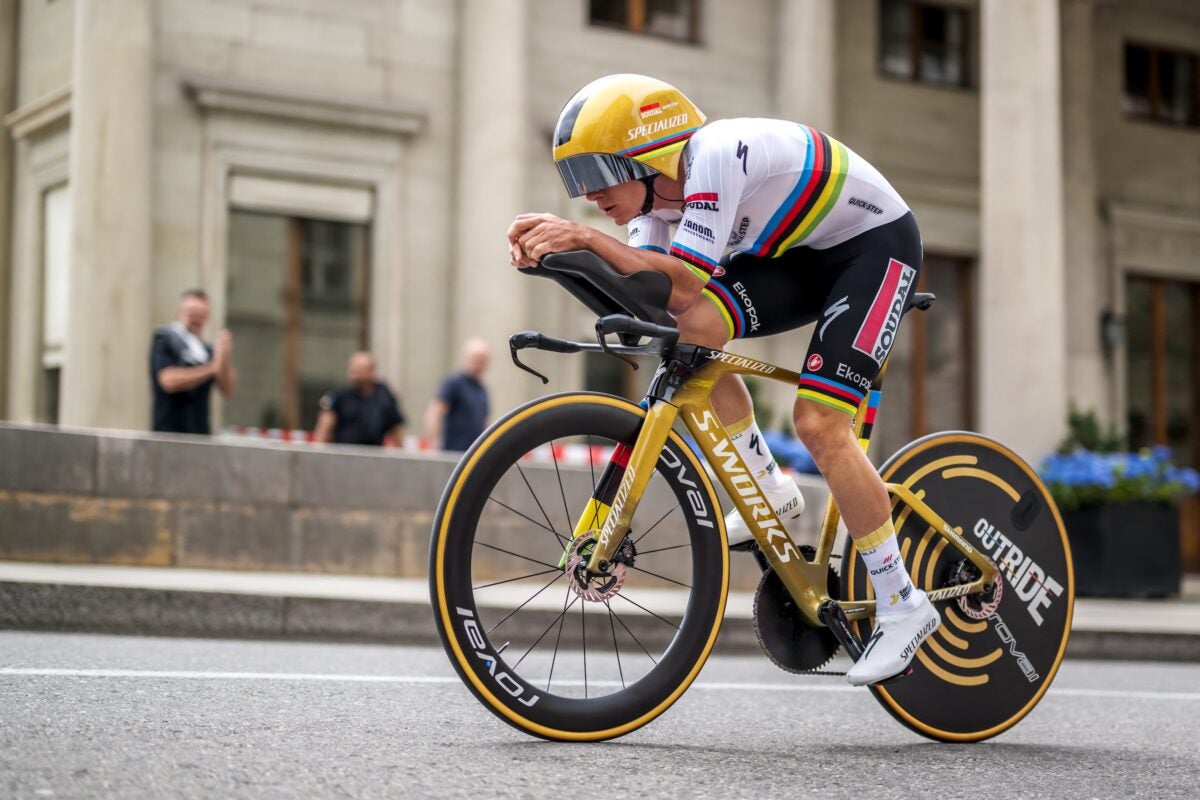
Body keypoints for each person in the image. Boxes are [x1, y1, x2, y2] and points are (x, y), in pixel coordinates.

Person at [506, 74, 938, 687]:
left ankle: (902, 603)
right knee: (691, 335)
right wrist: (554, 262)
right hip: (800, 254)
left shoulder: (714, 156)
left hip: (874, 246)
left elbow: (680, 283)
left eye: (600, 172)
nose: (590, 194)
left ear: (649, 155)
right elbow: (650, 309)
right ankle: (771, 488)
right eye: (577, 181)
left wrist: (582, 238)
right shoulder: (654, 209)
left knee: (819, 424)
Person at [150, 289, 235, 435]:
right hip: (168, 433)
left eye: (201, 314)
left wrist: (224, 356)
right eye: (192, 312)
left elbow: (228, 388)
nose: (196, 319)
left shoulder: (207, 351)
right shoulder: (165, 339)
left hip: (200, 434)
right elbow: (168, 380)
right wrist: (211, 368)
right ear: (179, 312)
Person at [314, 352, 407, 447]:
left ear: (372, 370)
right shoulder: (340, 395)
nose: (355, 373)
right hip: (343, 452)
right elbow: (325, 426)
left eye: (360, 369)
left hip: (374, 454)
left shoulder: (384, 396)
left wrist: (400, 454)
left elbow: (395, 428)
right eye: (353, 368)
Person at [424, 338, 490, 452]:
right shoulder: (454, 383)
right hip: (452, 452)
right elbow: (435, 412)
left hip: (473, 454)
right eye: (475, 358)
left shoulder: (482, 390)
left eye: (482, 359)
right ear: (465, 358)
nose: (478, 363)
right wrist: (433, 444)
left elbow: (485, 422)